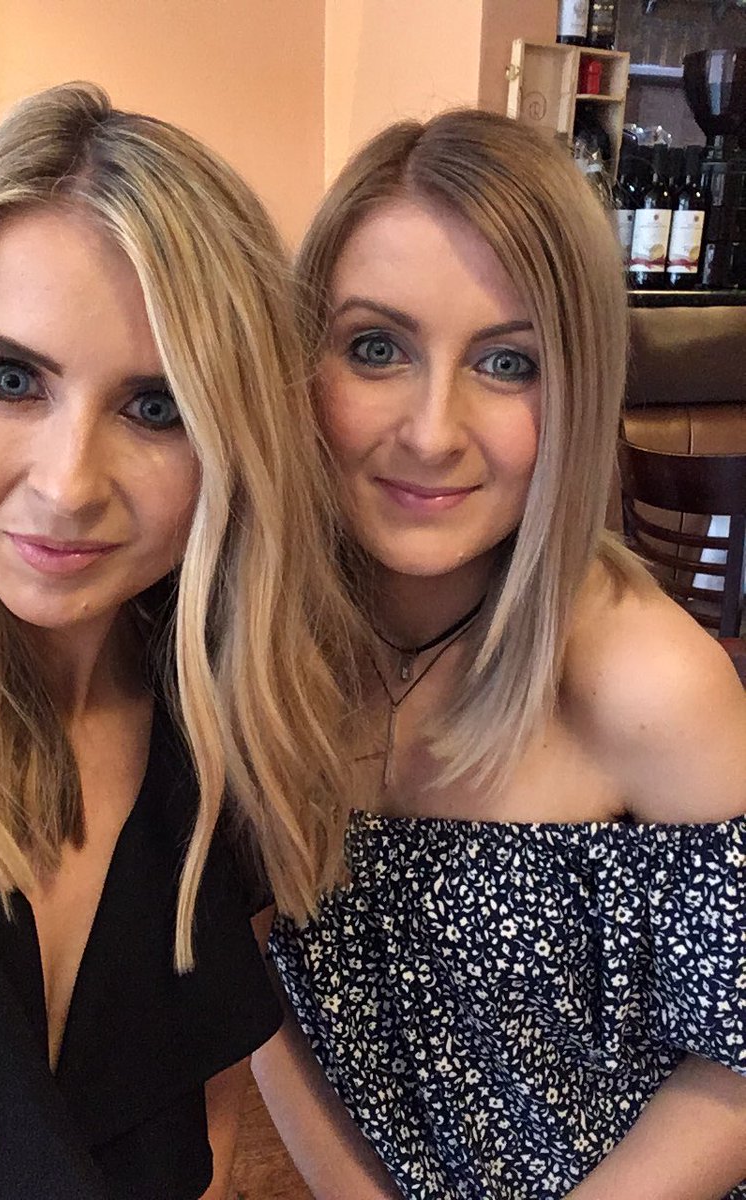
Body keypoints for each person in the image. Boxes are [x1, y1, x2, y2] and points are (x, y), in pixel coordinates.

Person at [0, 82, 358, 1200]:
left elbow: (203, 1140)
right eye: (9, 379)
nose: (70, 484)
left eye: (155, 408)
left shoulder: (224, 752)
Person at [255, 109, 746, 1200]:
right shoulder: (250, 659)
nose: (433, 431)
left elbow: (738, 1066)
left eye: (508, 362)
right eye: (376, 348)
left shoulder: (652, 684)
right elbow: (252, 997)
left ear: (578, 389)